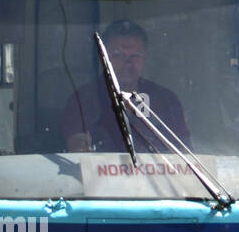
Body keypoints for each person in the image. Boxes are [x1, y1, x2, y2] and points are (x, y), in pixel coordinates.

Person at [63, 19, 190, 152]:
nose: (127, 63)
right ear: (104, 58)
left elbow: (184, 153)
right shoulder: (83, 100)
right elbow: (78, 151)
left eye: (135, 55)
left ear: (144, 58)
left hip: (156, 173)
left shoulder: (166, 100)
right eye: (118, 55)